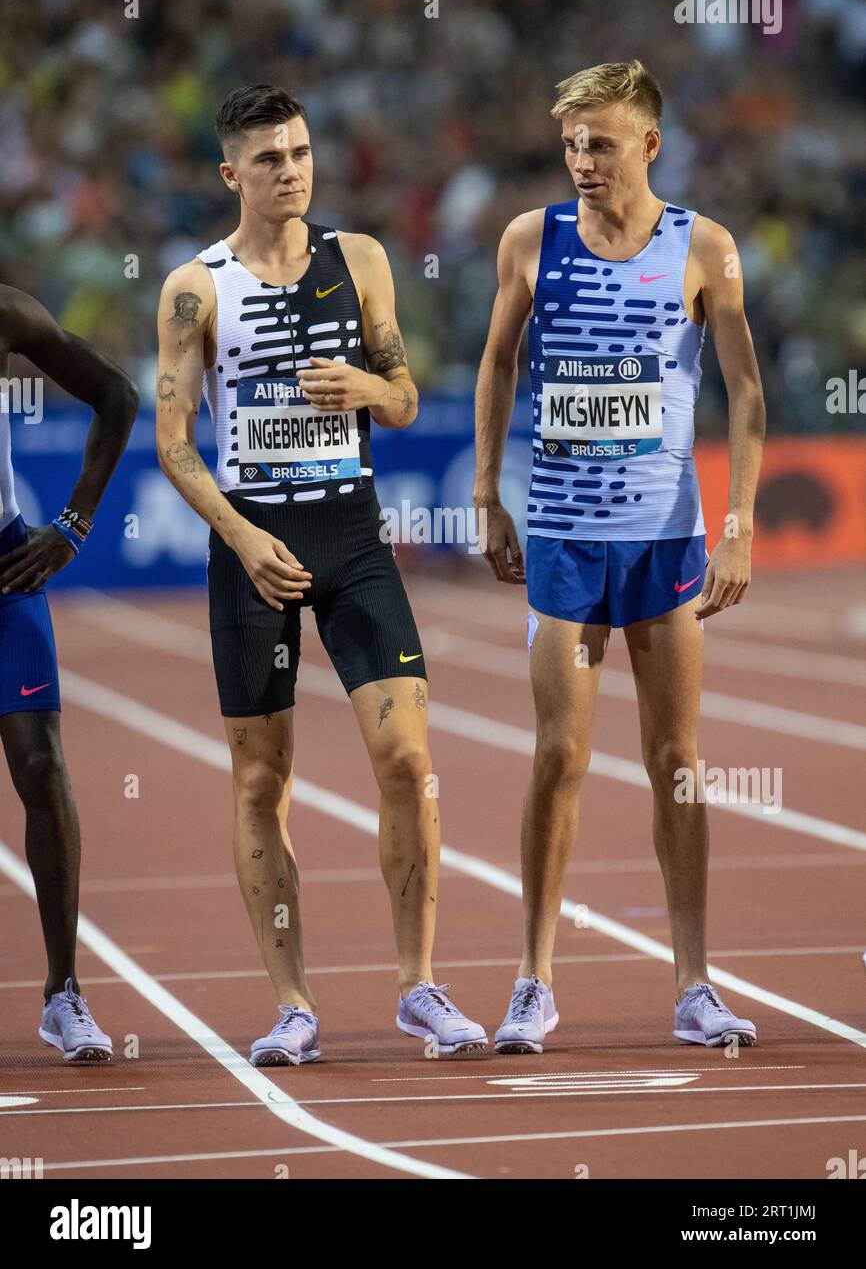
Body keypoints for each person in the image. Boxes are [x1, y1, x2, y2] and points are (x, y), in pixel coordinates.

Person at [155, 84, 486, 1065]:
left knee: (409, 767)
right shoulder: (194, 288)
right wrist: (240, 537)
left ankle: (418, 987)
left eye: (299, 152)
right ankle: (292, 1006)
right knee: (262, 783)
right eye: (268, 159)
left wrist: (373, 387)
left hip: (350, 540)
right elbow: (173, 444)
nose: (291, 170)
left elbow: (406, 398)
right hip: (251, 553)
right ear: (231, 174)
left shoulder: (362, 260)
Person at [473, 60, 766, 1052]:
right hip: (561, 538)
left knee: (675, 760)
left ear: (648, 143)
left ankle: (692, 985)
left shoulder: (703, 247)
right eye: (568, 144)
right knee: (558, 753)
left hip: (664, 541)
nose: (580, 161)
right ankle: (530, 981)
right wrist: (484, 495)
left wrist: (740, 521)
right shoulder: (530, 239)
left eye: (598, 142)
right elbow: (496, 362)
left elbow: (746, 393)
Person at [0, 285, 138, 1060]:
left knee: (43, 766)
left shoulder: (6, 315)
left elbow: (116, 394)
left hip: (6, 571)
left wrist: (75, 524)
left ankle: (63, 994)